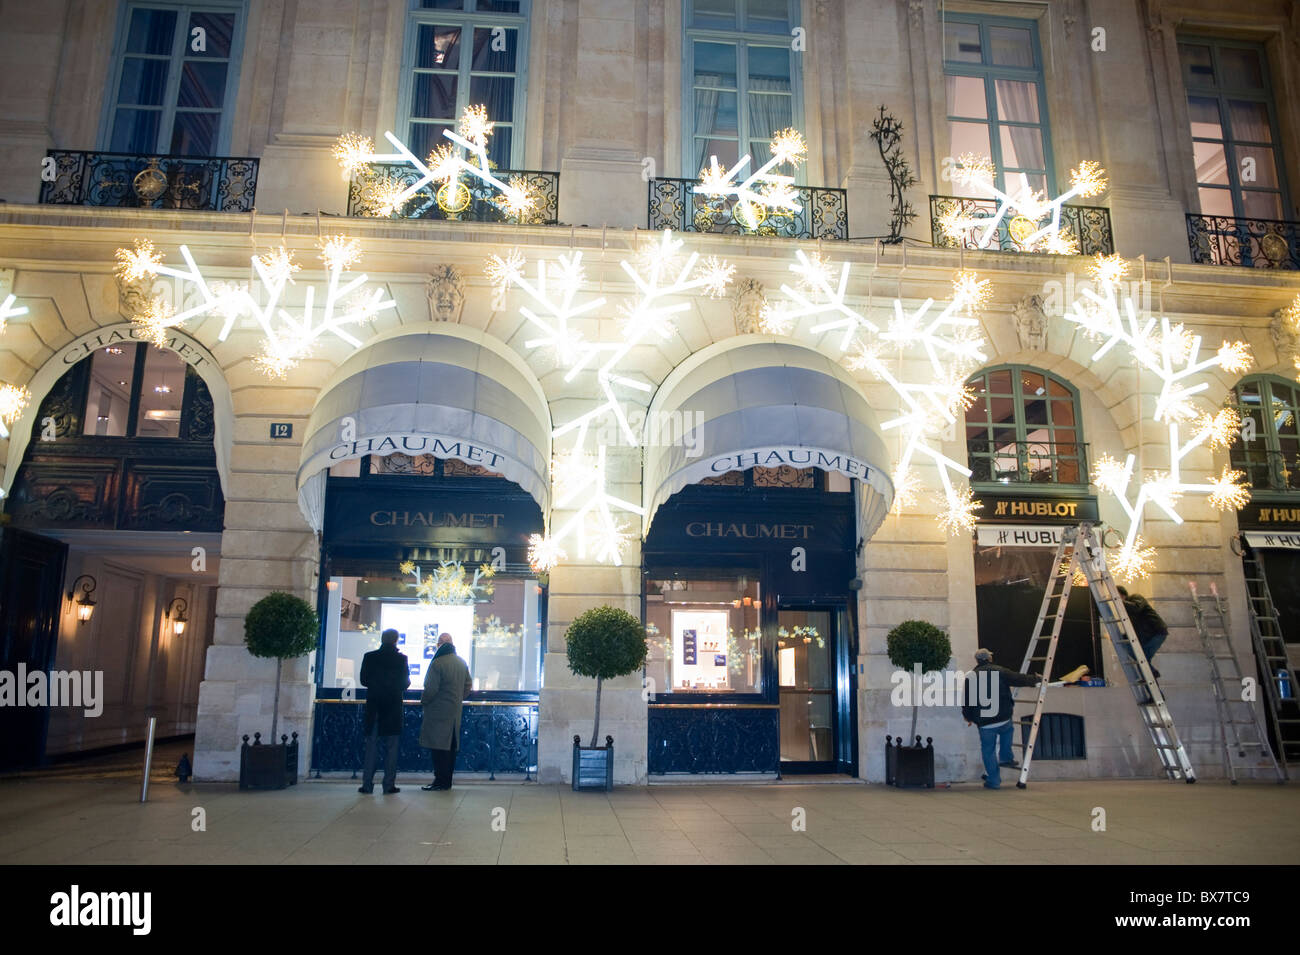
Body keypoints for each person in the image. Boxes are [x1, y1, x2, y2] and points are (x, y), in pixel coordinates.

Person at [961, 648, 1041, 790]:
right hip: (1003, 717)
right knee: (1008, 731)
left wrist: (969, 717)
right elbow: (1019, 678)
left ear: (977, 660)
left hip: (985, 723)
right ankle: (1005, 756)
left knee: (988, 751)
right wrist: (1036, 679)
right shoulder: (1000, 671)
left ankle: (994, 781)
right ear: (989, 658)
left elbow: (968, 701)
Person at [358, 628, 411, 794]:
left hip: (374, 707)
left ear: (382, 639)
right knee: (391, 748)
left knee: (371, 747)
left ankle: (367, 784)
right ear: (396, 640)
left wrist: (377, 685)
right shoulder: (401, 659)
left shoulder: (369, 657)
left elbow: (363, 680)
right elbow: (405, 683)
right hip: (393, 708)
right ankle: (388, 785)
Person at [419, 632, 473, 791]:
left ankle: (439, 781)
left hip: (437, 712)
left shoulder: (437, 663)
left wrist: (424, 701)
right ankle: (447, 782)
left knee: (438, 749)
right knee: (450, 749)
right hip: (454, 712)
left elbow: (431, 689)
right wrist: (457, 699)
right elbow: (468, 685)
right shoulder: (461, 662)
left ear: (439, 645)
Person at [1118, 586, 1169, 679]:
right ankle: (1151, 679)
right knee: (1142, 661)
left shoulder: (1136, 597)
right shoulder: (1127, 609)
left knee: (1141, 659)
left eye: (1117, 596)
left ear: (1122, 595)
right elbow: (1133, 627)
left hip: (1156, 632)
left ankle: (1152, 673)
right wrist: (1122, 637)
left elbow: (1136, 608)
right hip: (1150, 635)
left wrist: (1119, 601)